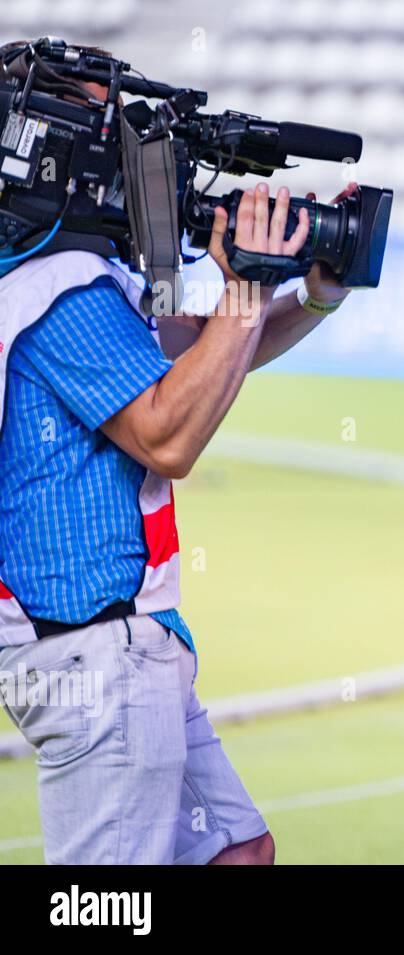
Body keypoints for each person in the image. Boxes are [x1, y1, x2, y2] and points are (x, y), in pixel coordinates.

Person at [0, 41, 356, 864]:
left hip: (109, 647)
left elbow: (202, 355)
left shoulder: (58, 274)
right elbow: (171, 431)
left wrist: (308, 294)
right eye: (110, 126)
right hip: (95, 654)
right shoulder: (56, 286)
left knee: (237, 852)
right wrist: (245, 287)